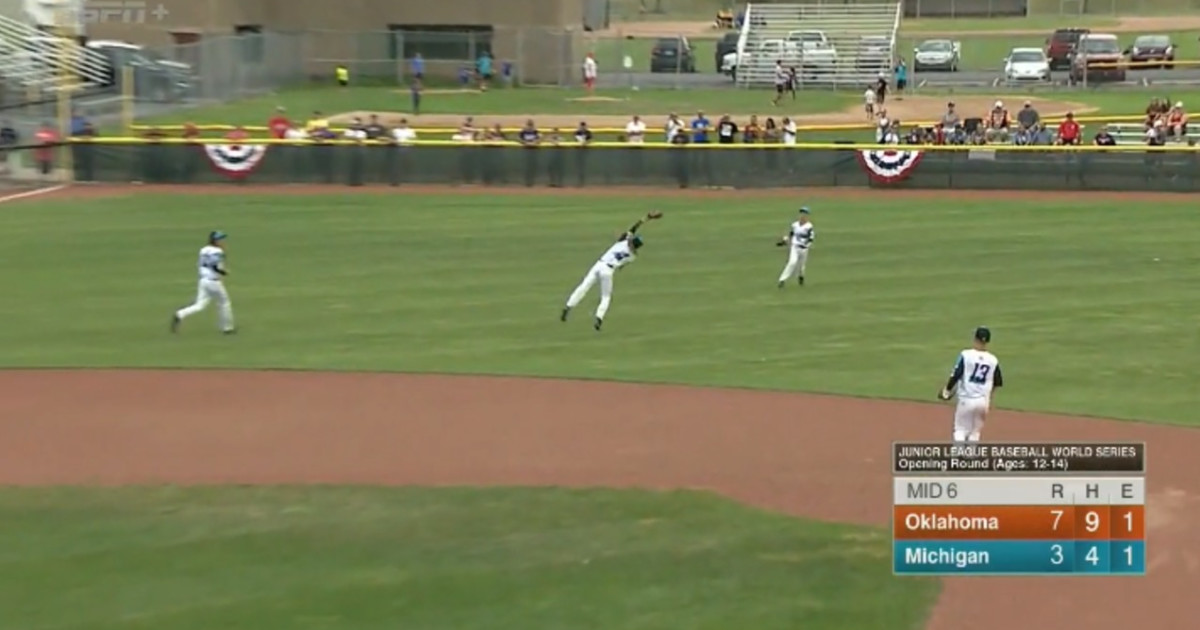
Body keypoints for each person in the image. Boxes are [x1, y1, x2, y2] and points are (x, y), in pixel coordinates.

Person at [561, 212, 662, 331]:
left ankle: (568, 307)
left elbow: (634, 227)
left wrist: (647, 218)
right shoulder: (633, 256)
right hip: (609, 271)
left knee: (584, 286)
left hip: (599, 264)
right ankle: (599, 319)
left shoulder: (623, 240)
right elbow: (621, 267)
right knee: (606, 297)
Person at [938, 326, 1003, 442]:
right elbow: (997, 382)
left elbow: (956, 374)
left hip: (966, 399)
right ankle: (970, 456)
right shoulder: (993, 360)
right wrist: (989, 398)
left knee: (960, 429)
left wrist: (946, 391)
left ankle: (959, 455)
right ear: (988, 341)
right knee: (975, 431)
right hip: (983, 402)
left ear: (975, 339)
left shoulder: (966, 355)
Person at [171, 231, 235, 335]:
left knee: (199, 305)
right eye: (220, 239)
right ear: (215, 241)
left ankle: (180, 314)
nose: (222, 241)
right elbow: (215, 266)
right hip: (214, 282)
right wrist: (224, 272)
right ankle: (227, 328)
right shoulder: (217, 251)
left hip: (203, 281)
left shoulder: (203, 250)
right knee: (224, 302)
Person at [775, 207, 815, 287]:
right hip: (795, 247)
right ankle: (782, 280)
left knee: (801, 266)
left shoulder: (809, 226)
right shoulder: (795, 225)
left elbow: (811, 238)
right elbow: (791, 235)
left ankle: (801, 276)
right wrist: (784, 242)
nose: (802, 216)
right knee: (792, 262)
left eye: (805, 214)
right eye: (801, 213)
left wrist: (807, 244)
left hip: (804, 249)